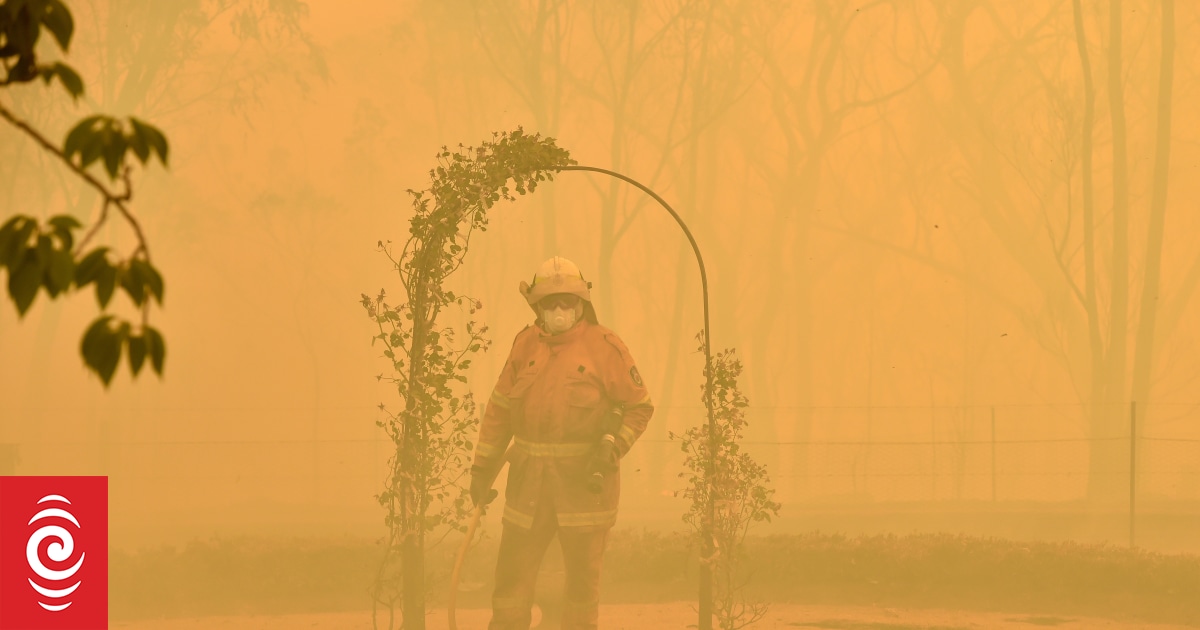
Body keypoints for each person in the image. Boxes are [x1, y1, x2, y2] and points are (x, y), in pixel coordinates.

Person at [470, 256, 654, 630]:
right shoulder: (525, 344)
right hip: (528, 488)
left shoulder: (606, 347)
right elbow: (500, 410)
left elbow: (639, 407)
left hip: (584, 489)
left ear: (581, 303)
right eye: (550, 303)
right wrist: (481, 469)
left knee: (581, 587)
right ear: (537, 306)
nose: (558, 310)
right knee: (510, 580)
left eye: (566, 301)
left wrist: (612, 446)